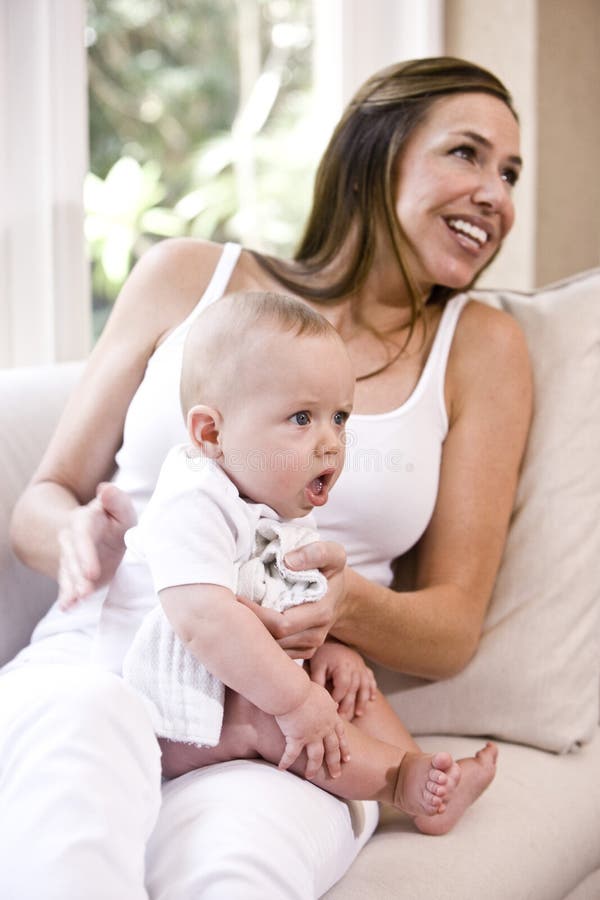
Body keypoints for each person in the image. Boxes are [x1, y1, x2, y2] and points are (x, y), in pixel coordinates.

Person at [1, 56, 532, 900]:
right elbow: (42, 497)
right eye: (467, 154)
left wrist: (344, 606)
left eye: (510, 173)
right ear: (377, 153)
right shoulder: (190, 278)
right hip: (104, 650)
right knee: (77, 756)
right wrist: (76, 538)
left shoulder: (483, 348)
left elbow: (452, 628)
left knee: (232, 871)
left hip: (295, 700)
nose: (497, 195)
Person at [92, 288, 492, 829]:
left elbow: (285, 603)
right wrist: (297, 700)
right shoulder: (193, 500)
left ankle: (423, 777)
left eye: (341, 418)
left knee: (347, 680)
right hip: (171, 708)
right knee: (272, 712)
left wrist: (328, 651)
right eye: (303, 418)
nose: (331, 442)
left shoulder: (278, 505)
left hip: (236, 679)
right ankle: (396, 783)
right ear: (212, 434)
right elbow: (205, 619)